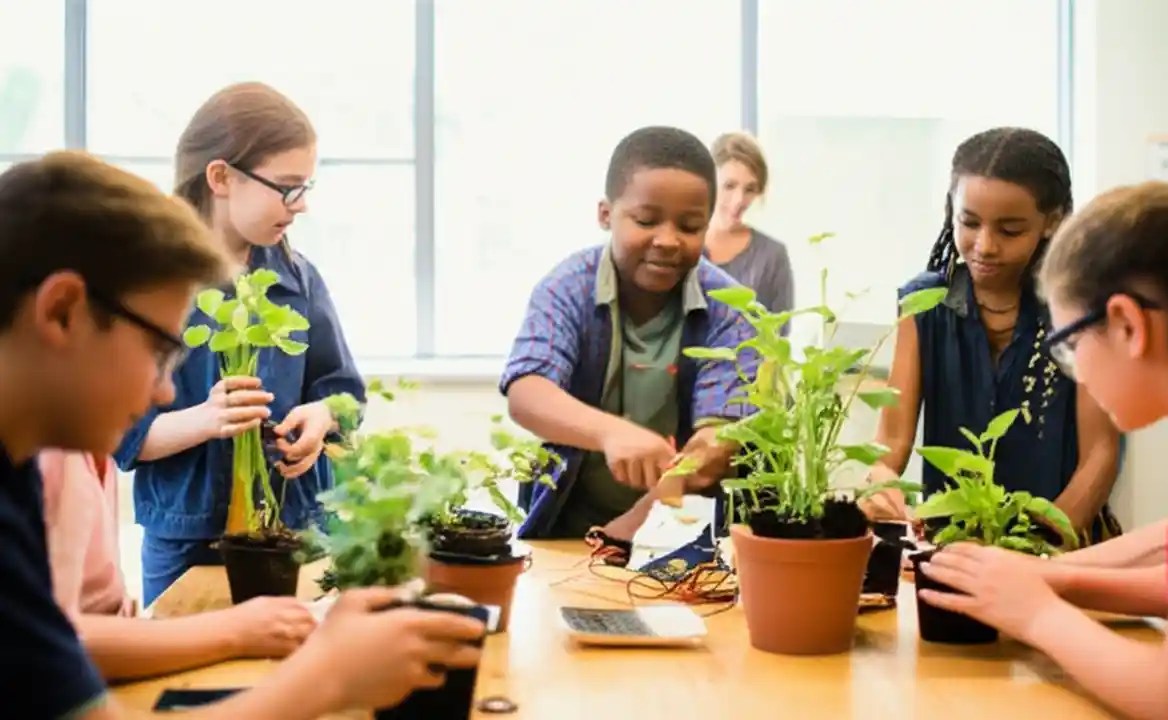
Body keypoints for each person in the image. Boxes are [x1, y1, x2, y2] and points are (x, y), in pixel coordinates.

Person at [0, 152, 482, 719]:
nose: (164, 390)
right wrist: (328, 676)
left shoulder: (19, 474)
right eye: (160, 351)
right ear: (62, 312)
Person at [919, 175, 1168, 717]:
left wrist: (1036, 613)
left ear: (1127, 325)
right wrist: (1050, 576)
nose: (1076, 372)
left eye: (1068, 346)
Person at [114, 82, 366, 605]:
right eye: (287, 187)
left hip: (294, 528)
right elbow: (120, 435)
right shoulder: (147, 282)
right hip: (186, 539)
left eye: (306, 187)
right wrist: (206, 420)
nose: (301, 205)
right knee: (184, 653)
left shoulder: (299, 278)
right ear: (221, 177)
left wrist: (322, 418)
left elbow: (345, 393)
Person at [865, 127, 1122, 543]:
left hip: (1058, 549)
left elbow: (1100, 455)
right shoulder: (923, 305)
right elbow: (891, 440)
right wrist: (880, 481)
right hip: (950, 550)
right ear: (951, 210)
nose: (984, 245)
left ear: (1052, 221)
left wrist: (1041, 546)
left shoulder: (1080, 311)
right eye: (969, 223)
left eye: (1010, 230)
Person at [501, 125, 757, 542]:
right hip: (565, 528)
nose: (668, 240)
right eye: (646, 220)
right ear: (606, 214)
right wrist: (612, 432)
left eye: (690, 226)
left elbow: (719, 442)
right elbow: (527, 392)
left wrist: (633, 524)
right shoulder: (566, 287)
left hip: (681, 534)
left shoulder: (731, 307)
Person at [41, 448, 317, 681]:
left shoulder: (80, 452)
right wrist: (239, 630)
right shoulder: (51, 460)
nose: (164, 401)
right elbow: (48, 641)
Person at [705, 132, 794, 320]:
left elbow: (779, 331)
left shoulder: (771, 256)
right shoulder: (683, 245)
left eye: (750, 189)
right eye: (729, 186)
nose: (739, 200)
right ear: (708, 182)